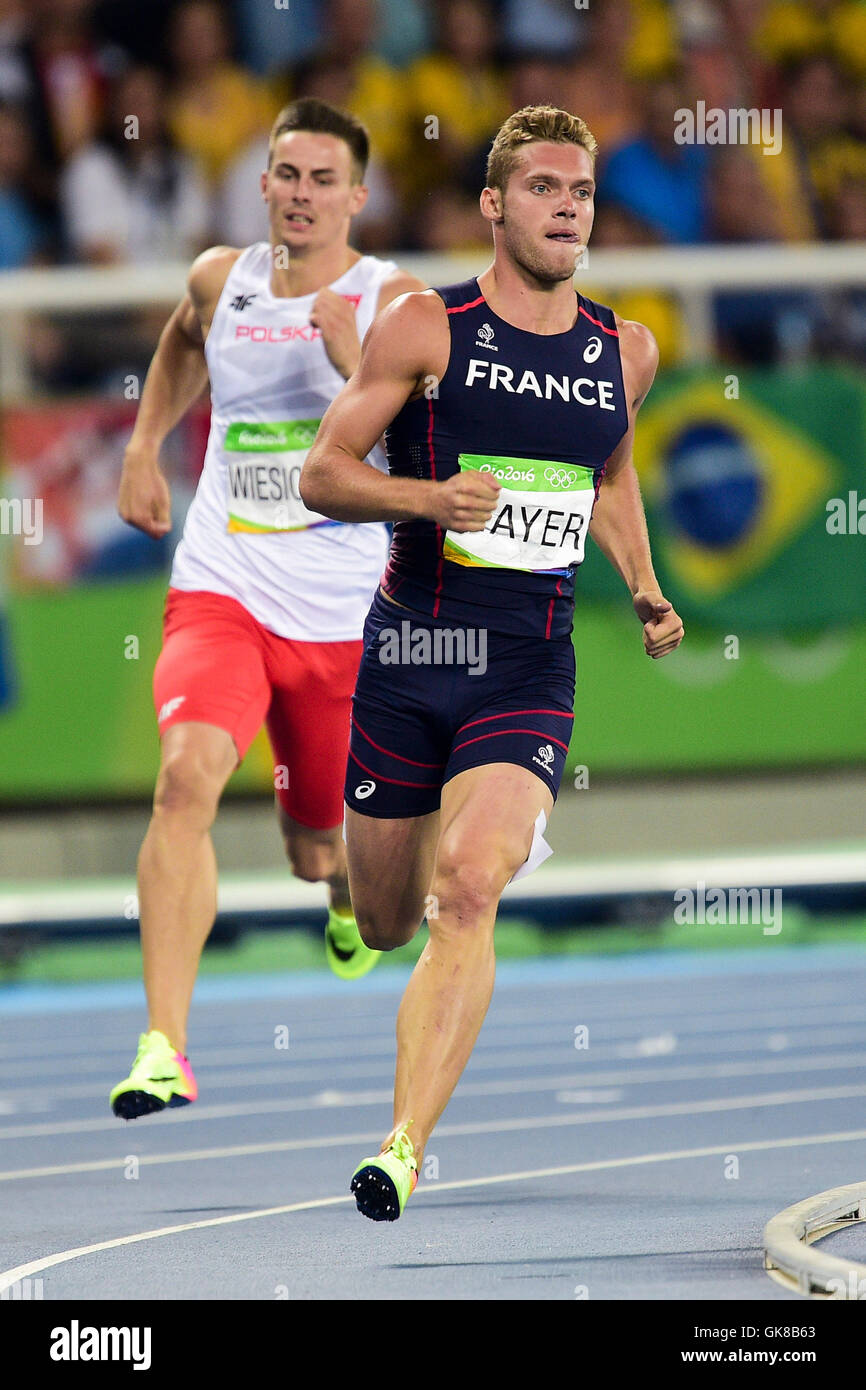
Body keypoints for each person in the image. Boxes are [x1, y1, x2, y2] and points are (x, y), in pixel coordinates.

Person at [300, 104, 684, 1220]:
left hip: (526, 665)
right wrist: (428, 495)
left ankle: (402, 1145)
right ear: (492, 205)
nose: (568, 209)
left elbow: (608, 481)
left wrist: (644, 585)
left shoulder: (626, 349)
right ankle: (366, 902)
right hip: (409, 652)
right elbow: (323, 473)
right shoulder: (429, 326)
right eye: (543, 190)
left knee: (469, 887)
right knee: (381, 917)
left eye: (581, 193)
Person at [110, 98, 426, 1121]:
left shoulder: (395, 303)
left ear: (358, 196)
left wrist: (353, 365)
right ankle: (164, 1046)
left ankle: (335, 893)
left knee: (317, 848)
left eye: (321, 179)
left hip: (339, 618)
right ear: (264, 184)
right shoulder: (222, 277)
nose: (300, 194)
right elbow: (182, 340)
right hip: (223, 588)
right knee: (184, 781)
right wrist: (143, 446)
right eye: (286, 175)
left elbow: (432, 442)